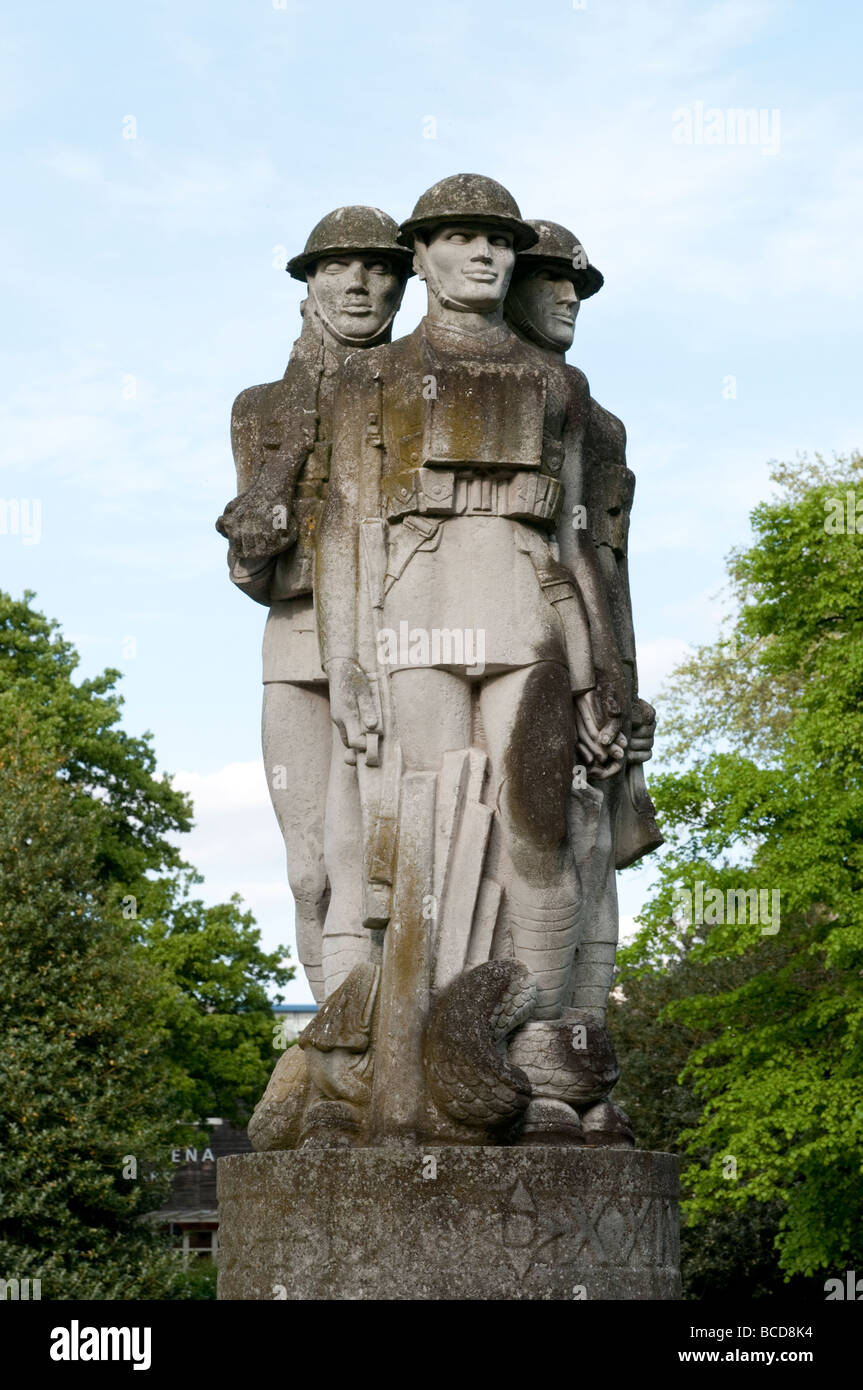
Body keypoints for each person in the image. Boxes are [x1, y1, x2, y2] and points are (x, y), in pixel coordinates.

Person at [316, 176, 628, 1024]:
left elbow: (576, 541)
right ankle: (418, 1045)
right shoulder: (371, 376)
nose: (483, 253)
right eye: (459, 237)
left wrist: (601, 673)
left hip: (529, 620)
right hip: (412, 617)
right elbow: (345, 525)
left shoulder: (558, 384)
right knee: (421, 833)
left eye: (496, 240)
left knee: (537, 829)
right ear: (420, 256)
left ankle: (530, 1032)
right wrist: (343, 662)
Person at [216, 207, 412, 1002]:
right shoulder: (261, 406)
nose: (358, 284)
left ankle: (375, 1019)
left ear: (403, 283)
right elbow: (250, 565)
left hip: (394, 634)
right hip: (297, 634)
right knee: (307, 872)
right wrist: (262, 526)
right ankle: (334, 1026)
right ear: (309, 284)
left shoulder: (418, 391)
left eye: (378, 268)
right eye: (337, 267)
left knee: (371, 852)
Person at [504, 218, 662, 1023]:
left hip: (597, 659)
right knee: (533, 835)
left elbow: (608, 565)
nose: (568, 296)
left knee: (594, 842)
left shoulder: (600, 425)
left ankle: (581, 1034)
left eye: (578, 285)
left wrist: (625, 684)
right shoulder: (495, 393)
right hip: (519, 646)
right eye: (550, 279)